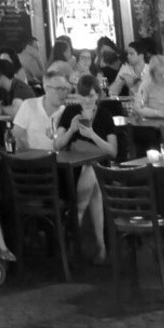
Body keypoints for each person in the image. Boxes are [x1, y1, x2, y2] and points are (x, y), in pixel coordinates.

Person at [55, 73, 118, 264]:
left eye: (91, 96)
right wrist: (73, 130)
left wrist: (91, 135)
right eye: (83, 96)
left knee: (92, 172)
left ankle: (76, 226)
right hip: (70, 170)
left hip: (99, 167)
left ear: (98, 95)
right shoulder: (70, 113)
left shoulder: (105, 115)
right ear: (78, 97)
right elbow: (58, 144)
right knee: (94, 183)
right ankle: (100, 246)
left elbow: (113, 152)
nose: (87, 100)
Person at [11, 66, 72, 151]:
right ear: (46, 88)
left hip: (58, 161)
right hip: (31, 160)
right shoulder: (29, 105)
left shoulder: (66, 112)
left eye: (65, 89)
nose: (63, 93)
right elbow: (17, 136)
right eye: (59, 89)